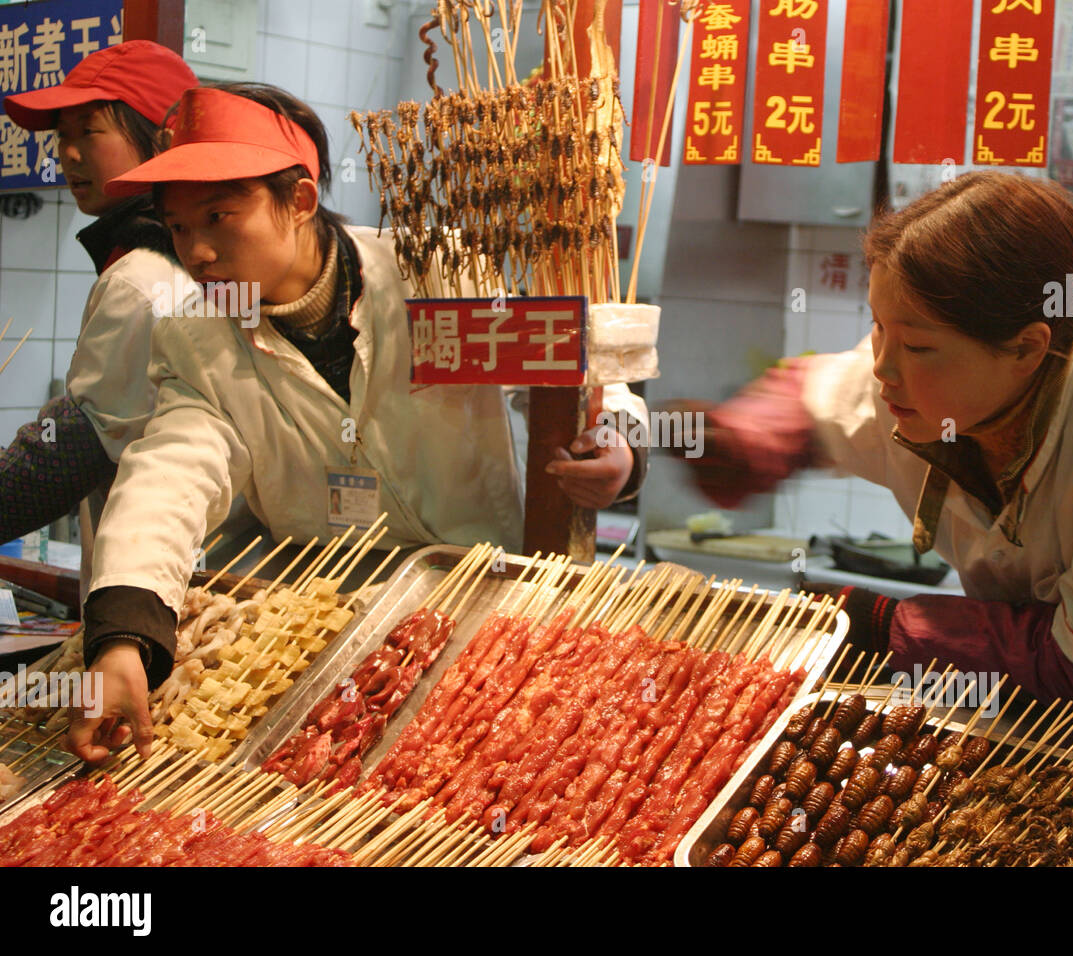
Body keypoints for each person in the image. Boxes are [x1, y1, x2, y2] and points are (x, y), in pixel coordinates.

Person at [68, 83, 646, 761]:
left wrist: (619, 443)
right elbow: (167, 476)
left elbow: (576, 373)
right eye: (179, 227)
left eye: (220, 216)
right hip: (328, 635)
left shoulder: (434, 271)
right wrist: (123, 636)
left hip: (484, 611)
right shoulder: (198, 339)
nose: (195, 252)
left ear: (300, 200)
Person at [672, 172, 1073, 706]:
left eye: (916, 345)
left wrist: (895, 624)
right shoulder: (921, 370)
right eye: (878, 327)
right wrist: (734, 440)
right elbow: (815, 400)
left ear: (1028, 348)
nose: (884, 367)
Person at [0, 42, 198, 563]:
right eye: (62, 135)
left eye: (89, 131)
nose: (67, 153)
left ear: (161, 136)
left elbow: (71, 452)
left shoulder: (141, 279)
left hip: (158, 582)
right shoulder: (163, 255)